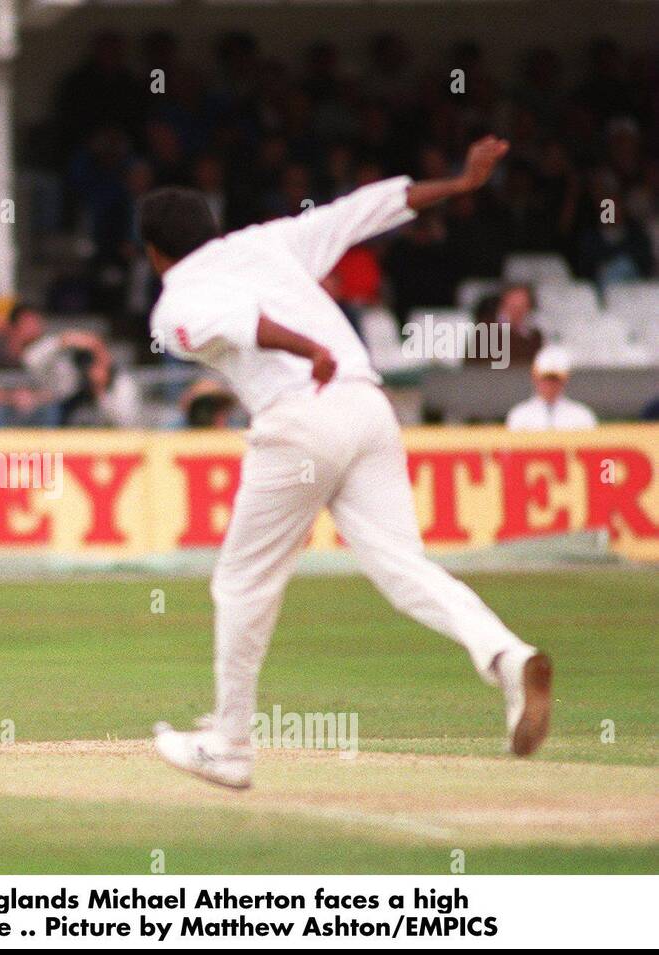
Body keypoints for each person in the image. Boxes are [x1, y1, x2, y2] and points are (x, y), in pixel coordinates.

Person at [140, 135, 552, 790]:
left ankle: (230, 743)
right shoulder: (266, 241)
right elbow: (368, 208)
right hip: (368, 408)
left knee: (243, 582)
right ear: (212, 228)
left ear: (154, 251)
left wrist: (307, 350)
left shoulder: (175, 301)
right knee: (403, 566)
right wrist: (459, 183)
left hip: (301, 415)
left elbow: (244, 322)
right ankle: (505, 654)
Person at [505, 346, 598, 430]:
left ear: (564, 381)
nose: (550, 384)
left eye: (555, 379)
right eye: (545, 379)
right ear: (535, 378)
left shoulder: (582, 416)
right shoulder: (519, 416)